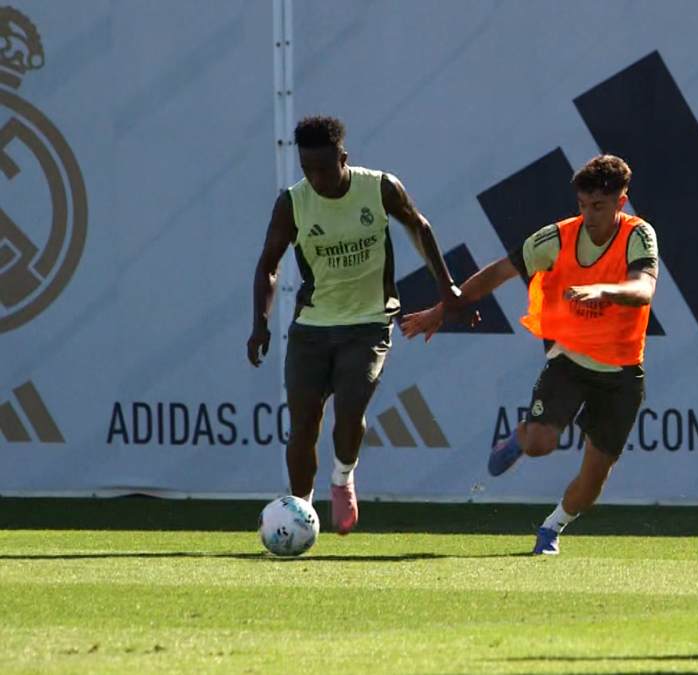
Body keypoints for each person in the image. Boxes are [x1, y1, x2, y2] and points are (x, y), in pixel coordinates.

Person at [401, 155, 657, 556]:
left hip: (622, 371)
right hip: (569, 358)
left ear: (620, 203)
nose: (589, 216)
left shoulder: (638, 235)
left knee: (592, 485)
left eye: (599, 207)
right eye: (583, 205)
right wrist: (441, 310)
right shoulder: (556, 238)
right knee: (540, 443)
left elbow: (643, 290)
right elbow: (497, 273)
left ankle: (551, 527)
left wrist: (604, 290)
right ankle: (521, 437)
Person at [248, 115, 469, 535]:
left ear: (343, 158)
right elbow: (268, 266)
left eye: (324, 169)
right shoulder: (293, 203)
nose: (316, 179)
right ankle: (300, 514)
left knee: (349, 411)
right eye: (307, 169)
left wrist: (448, 287)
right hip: (312, 327)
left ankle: (342, 477)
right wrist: (260, 324)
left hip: (369, 323)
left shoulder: (379, 187)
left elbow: (419, 227)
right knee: (303, 424)